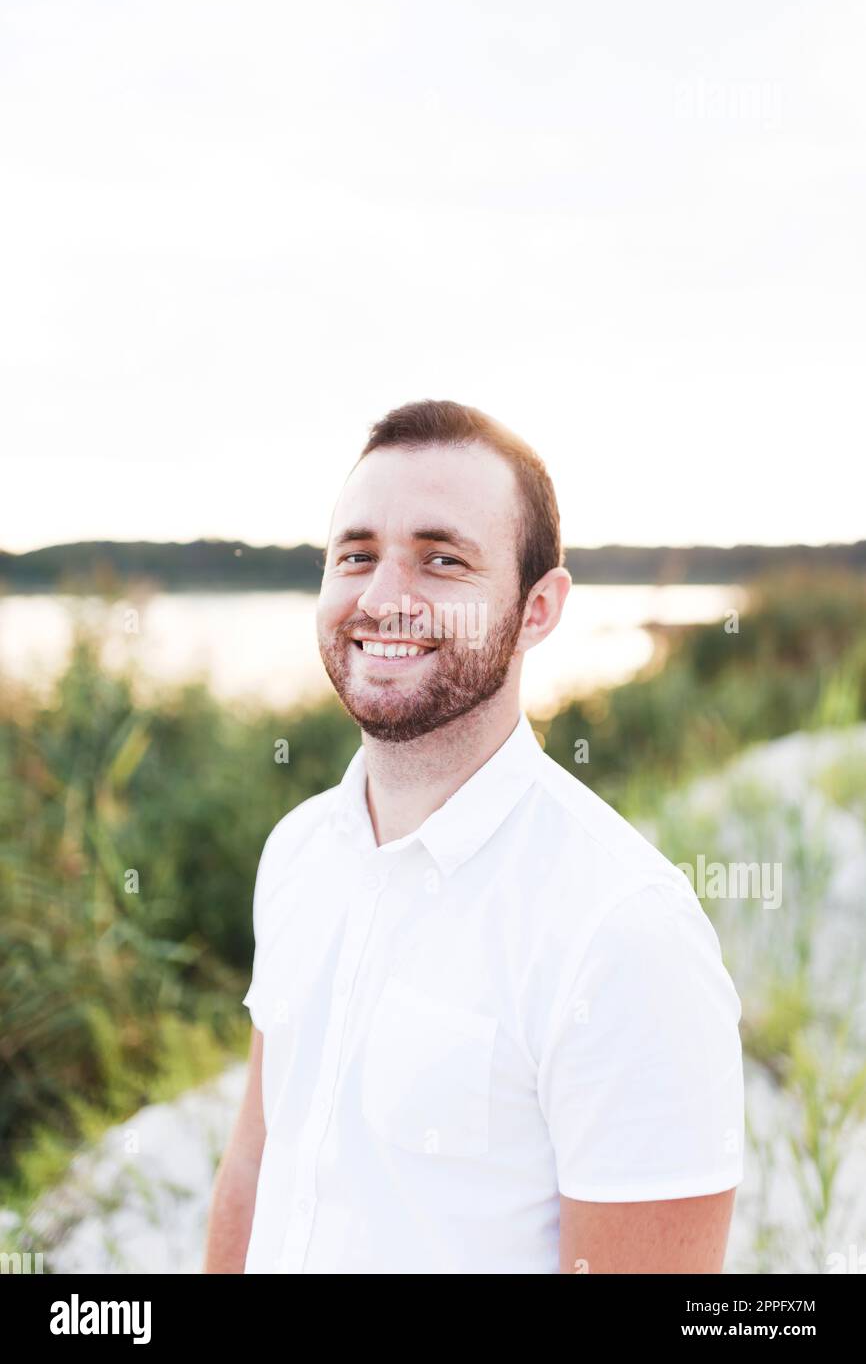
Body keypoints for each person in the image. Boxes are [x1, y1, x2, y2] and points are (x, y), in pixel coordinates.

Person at [204, 399, 744, 1274]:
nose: (382, 599)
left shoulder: (623, 934)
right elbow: (259, 1164)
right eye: (357, 555)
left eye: (442, 559)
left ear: (538, 610)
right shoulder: (298, 852)